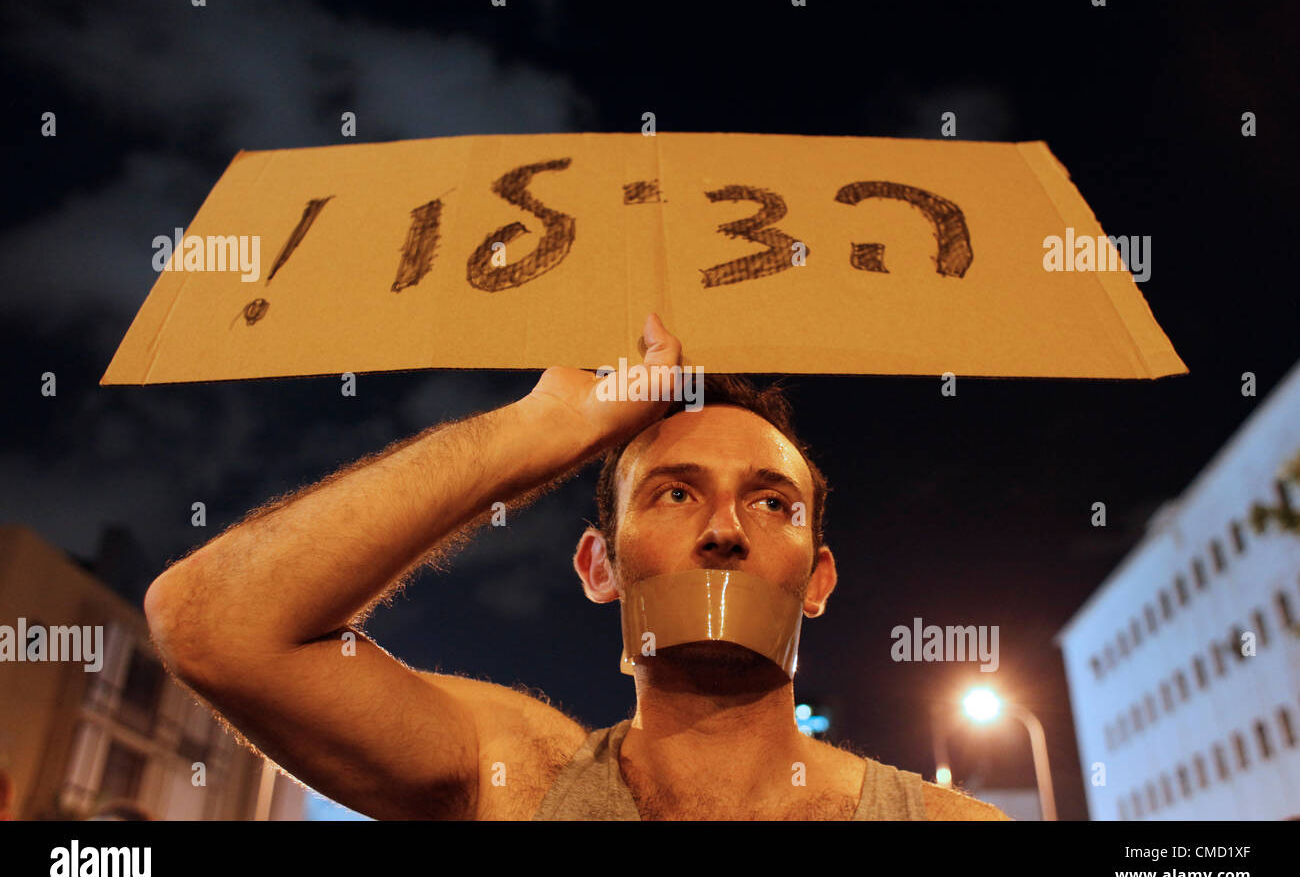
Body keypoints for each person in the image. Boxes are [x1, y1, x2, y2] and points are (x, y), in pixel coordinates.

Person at [145, 313, 1009, 820]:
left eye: (771, 502)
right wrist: (549, 426)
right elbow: (209, 623)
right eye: (674, 494)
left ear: (818, 580)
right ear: (598, 566)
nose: (724, 530)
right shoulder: (522, 782)